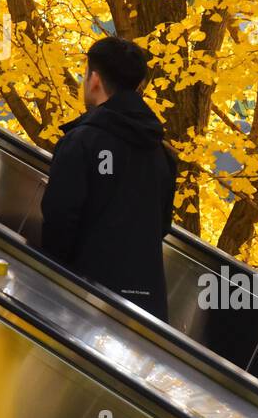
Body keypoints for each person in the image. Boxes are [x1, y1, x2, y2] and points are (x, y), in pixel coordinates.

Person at [38, 36, 175, 321]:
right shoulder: (162, 154)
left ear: (95, 80)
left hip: (85, 302)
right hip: (148, 310)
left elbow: (60, 219)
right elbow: (161, 226)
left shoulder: (82, 141)